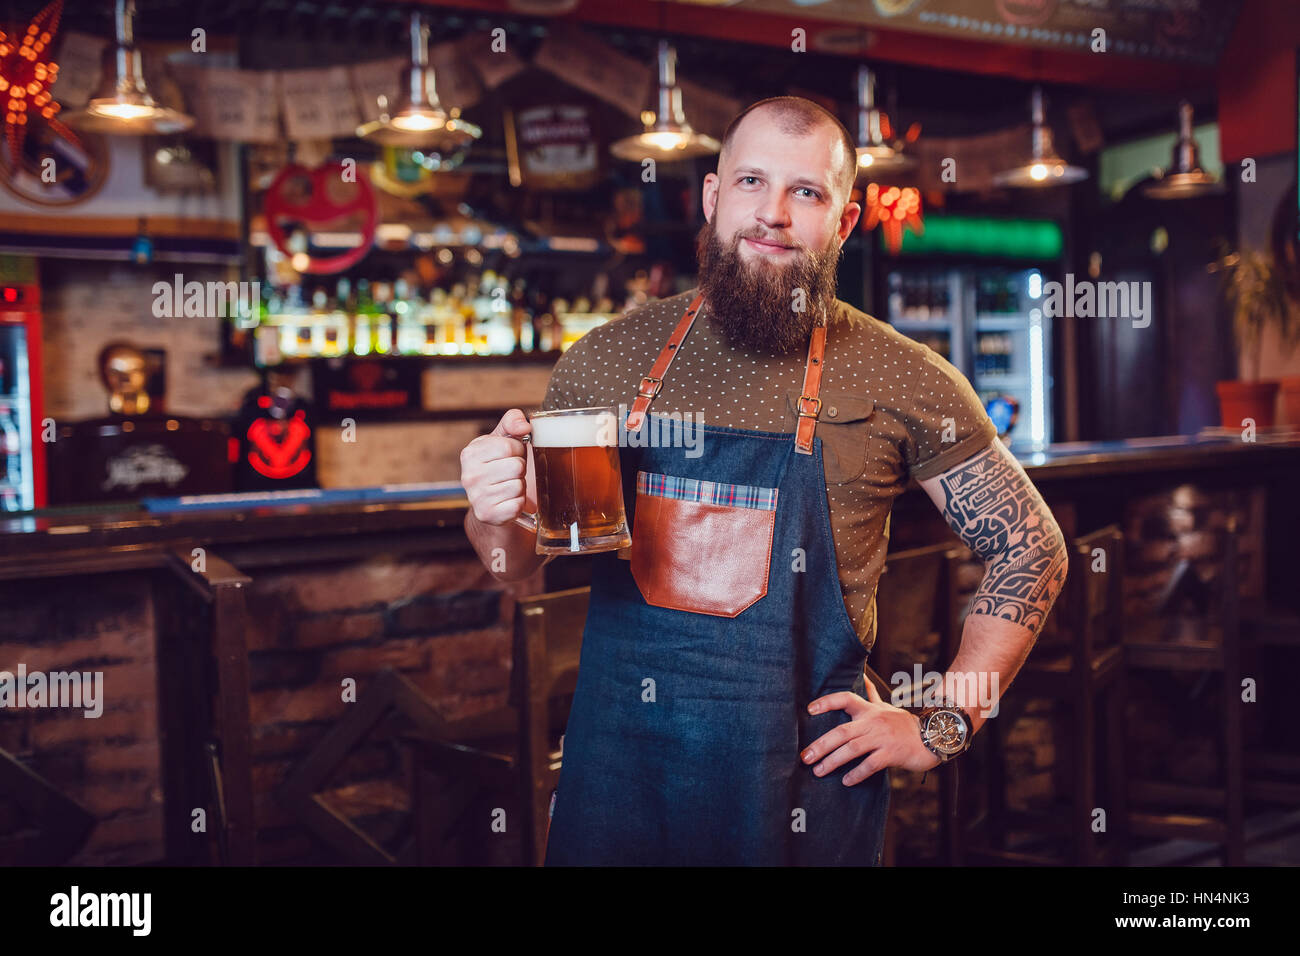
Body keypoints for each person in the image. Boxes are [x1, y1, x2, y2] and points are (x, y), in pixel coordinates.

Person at [458, 96, 1069, 866]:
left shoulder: (904, 377)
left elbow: (1032, 548)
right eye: (751, 181)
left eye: (806, 192)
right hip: (619, 770)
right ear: (714, 197)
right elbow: (514, 566)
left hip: (800, 785)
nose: (772, 213)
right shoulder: (607, 359)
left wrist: (942, 724)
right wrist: (495, 513)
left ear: (844, 222)